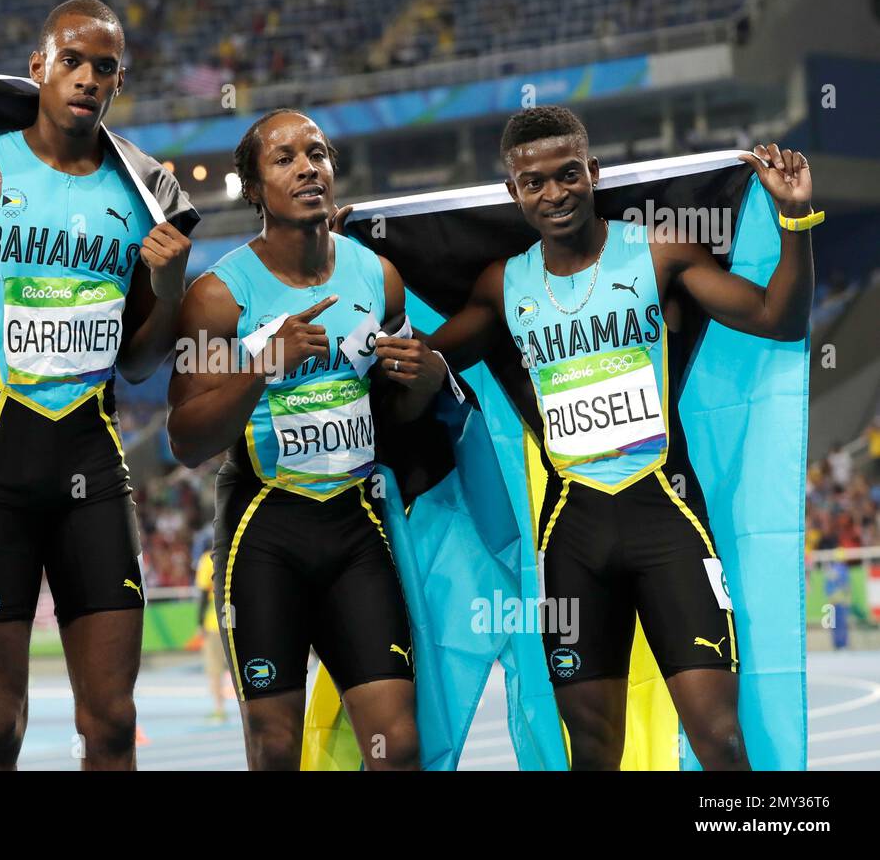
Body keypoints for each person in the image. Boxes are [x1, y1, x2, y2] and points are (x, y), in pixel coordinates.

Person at [420, 105, 815, 770]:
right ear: (513, 193)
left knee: (719, 736)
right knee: (594, 751)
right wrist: (348, 260)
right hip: (571, 538)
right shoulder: (504, 285)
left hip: (667, 519)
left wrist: (796, 219)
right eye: (535, 182)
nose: (555, 193)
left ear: (593, 172)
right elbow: (427, 368)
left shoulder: (656, 253)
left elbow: (780, 316)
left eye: (568, 174)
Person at [0, 0, 194, 771]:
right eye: (72, 61)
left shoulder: (147, 188)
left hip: (92, 469)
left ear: (121, 80)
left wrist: (171, 281)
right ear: (37, 68)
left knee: (112, 720)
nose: (87, 78)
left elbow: (142, 361)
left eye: (104, 67)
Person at [168, 109, 444, 771]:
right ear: (254, 188)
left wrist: (425, 378)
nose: (307, 167)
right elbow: (185, 436)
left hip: (355, 529)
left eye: (317, 154)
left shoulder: (378, 277)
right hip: (266, 530)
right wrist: (262, 365)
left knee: (397, 742)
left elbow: (399, 407)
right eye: (285, 158)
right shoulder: (217, 296)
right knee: (274, 747)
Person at [194, 549, 228, 722]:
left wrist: (199, 623)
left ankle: (219, 709)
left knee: (215, 669)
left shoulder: (207, 560)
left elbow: (201, 595)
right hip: (237, 620)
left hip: (215, 622)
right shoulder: (239, 552)